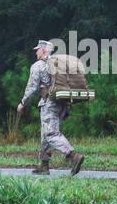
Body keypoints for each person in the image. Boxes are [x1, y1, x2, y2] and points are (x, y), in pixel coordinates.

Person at [17, 39, 84, 176]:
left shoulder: (38, 66)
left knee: (51, 133)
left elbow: (31, 88)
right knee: (45, 133)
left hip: (49, 103)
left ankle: (73, 156)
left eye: (37, 50)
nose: (35, 52)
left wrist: (23, 103)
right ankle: (44, 165)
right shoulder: (57, 64)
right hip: (61, 102)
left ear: (43, 50)